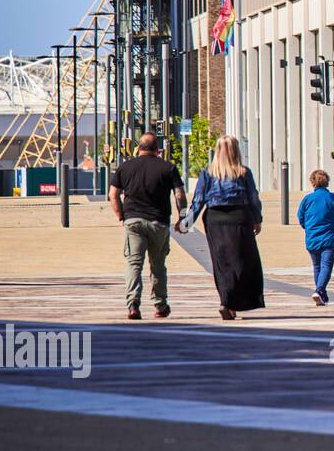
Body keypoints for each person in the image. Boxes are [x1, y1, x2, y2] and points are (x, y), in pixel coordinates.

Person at [185, 135, 265, 320]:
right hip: (239, 217)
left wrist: (188, 222)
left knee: (221, 262)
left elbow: (198, 200)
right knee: (243, 260)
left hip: (215, 219)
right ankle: (235, 301)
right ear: (237, 151)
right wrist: (257, 219)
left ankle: (226, 300)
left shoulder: (208, 173)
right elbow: (253, 198)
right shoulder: (243, 172)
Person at [108, 132, 187, 320]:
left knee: (134, 263)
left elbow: (113, 195)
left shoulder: (125, 167)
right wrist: (183, 219)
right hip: (159, 222)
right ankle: (160, 305)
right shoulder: (168, 168)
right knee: (158, 265)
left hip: (133, 221)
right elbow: (180, 195)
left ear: (139, 148)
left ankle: (133, 304)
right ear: (157, 149)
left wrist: (121, 216)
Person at [297, 169, 334, 307]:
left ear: (313, 183)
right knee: (326, 266)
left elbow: (301, 217)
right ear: (327, 181)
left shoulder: (307, 199)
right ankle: (319, 290)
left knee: (317, 266)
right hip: (330, 236)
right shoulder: (333, 198)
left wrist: (309, 228)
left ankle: (321, 294)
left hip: (312, 237)